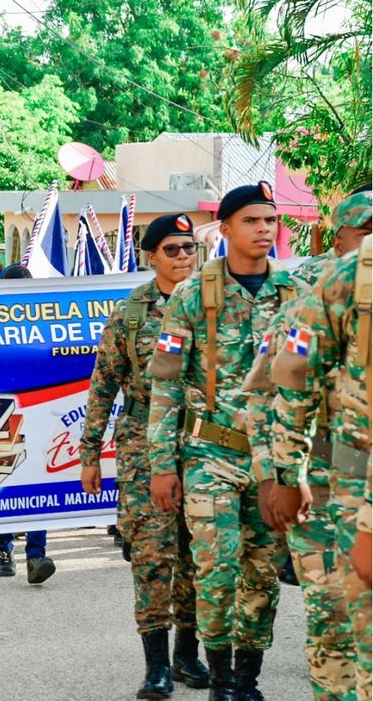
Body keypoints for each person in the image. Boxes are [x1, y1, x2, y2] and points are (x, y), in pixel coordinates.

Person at [148, 182, 299, 701]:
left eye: (270, 220)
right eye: (253, 220)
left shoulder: (294, 293)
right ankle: (218, 675)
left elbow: (309, 376)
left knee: (262, 570)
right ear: (228, 228)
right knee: (216, 566)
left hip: (274, 460)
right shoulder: (193, 295)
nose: (264, 229)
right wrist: (162, 464)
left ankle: (246, 678)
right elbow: (165, 384)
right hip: (211, 452)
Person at [245, 191, 371, 701]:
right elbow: (271, 390)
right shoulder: (318, 295)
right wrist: (276, 473)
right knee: (334, 621)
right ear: (339, 236)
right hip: (327, 487)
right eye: (364, 229)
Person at [81, 218, 209, 697]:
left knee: (198, 552)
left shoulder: (210, 306)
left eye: (189, 248)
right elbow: (103, 384)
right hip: (139, 444)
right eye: (172, 249)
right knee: (153, 555)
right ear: (150, 255)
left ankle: (187, 655)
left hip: (200, 443)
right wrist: (89, 453)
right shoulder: (130, 313)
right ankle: (155, 666)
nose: (183, 257)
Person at [0, 264, 56, 587]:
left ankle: (36, 555)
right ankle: (2, 550)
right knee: (2, 478)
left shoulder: (45, 321)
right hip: (2, 413)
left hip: (38, 410)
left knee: (38, 481)